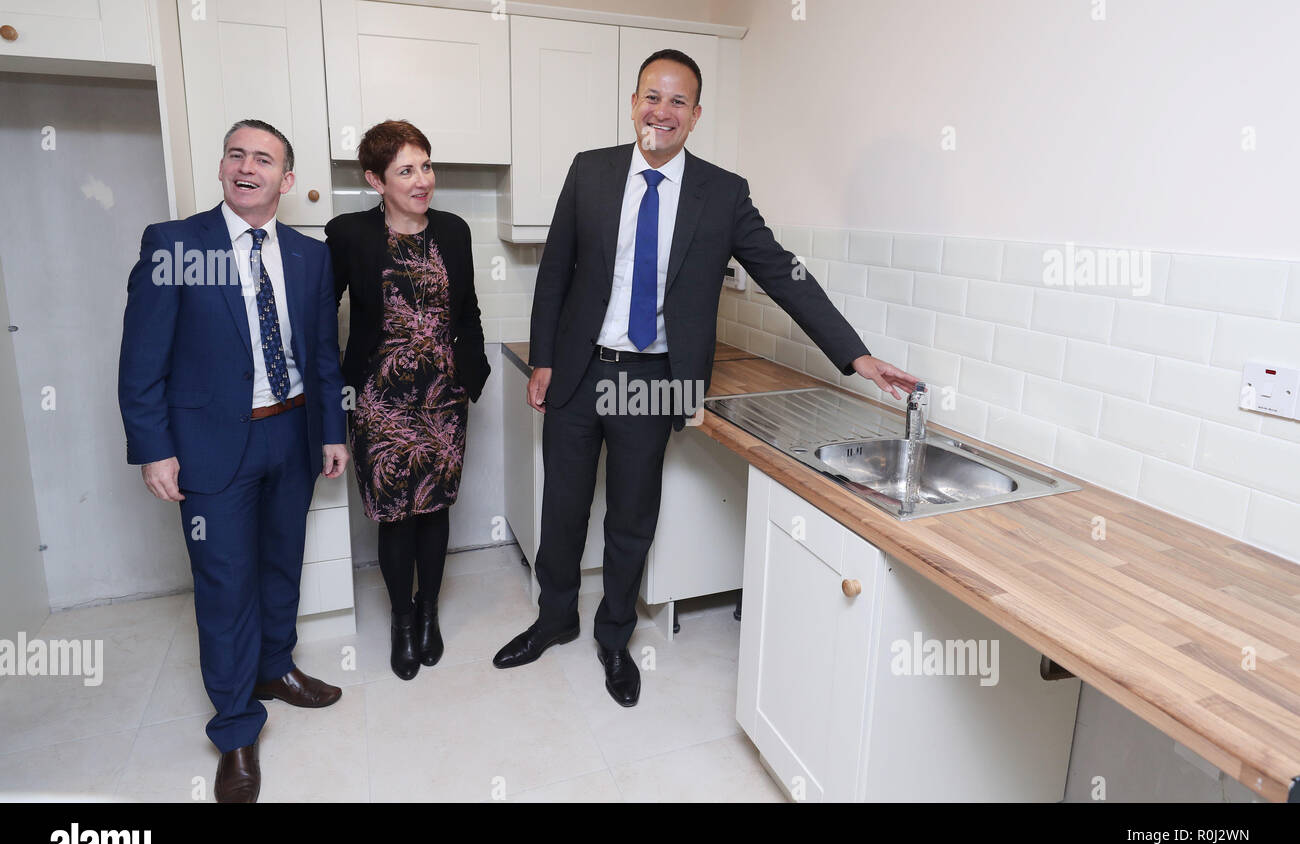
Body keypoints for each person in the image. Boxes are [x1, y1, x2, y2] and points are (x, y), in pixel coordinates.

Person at [492, 50, 919, 707]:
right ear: (633, 103)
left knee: (631, 517)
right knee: (563, 506)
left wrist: (854, 355)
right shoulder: (590, 172)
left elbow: (782, 272)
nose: (662, 112)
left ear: (695, 115)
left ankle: (614, 637)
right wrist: (544, 358)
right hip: (580, 372)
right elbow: (557, 273)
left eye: (677, 101)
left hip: (653, 381)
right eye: (651, 97)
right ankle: (554, 617)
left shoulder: (723, 193)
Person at [118, 119, 350, 802]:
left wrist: (332, 430)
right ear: (222, 168)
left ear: (287, 177)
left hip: (293, 435)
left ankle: (275, 667)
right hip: (213, 447)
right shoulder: (177, 243)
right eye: (236, 155)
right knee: (224, 584)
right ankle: (236, 728)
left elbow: (322, 357)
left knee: (282, 563)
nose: (247, 167)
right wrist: (154, 447)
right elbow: (140, 359)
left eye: (265, 159)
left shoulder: (310, 256)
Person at [324, 120, 491, 681]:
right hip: (379, 399)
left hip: (443, 397)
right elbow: (322, 314)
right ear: (376, 179)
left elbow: (466, 309)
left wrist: (476, 371)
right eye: (406, 171)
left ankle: (429, 614)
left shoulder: (455, 230)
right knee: (395, 515)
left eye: (426, 166)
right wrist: (332, 390)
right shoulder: (349, 234)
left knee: (435, 507)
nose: (423, 180)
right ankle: (400, 619)